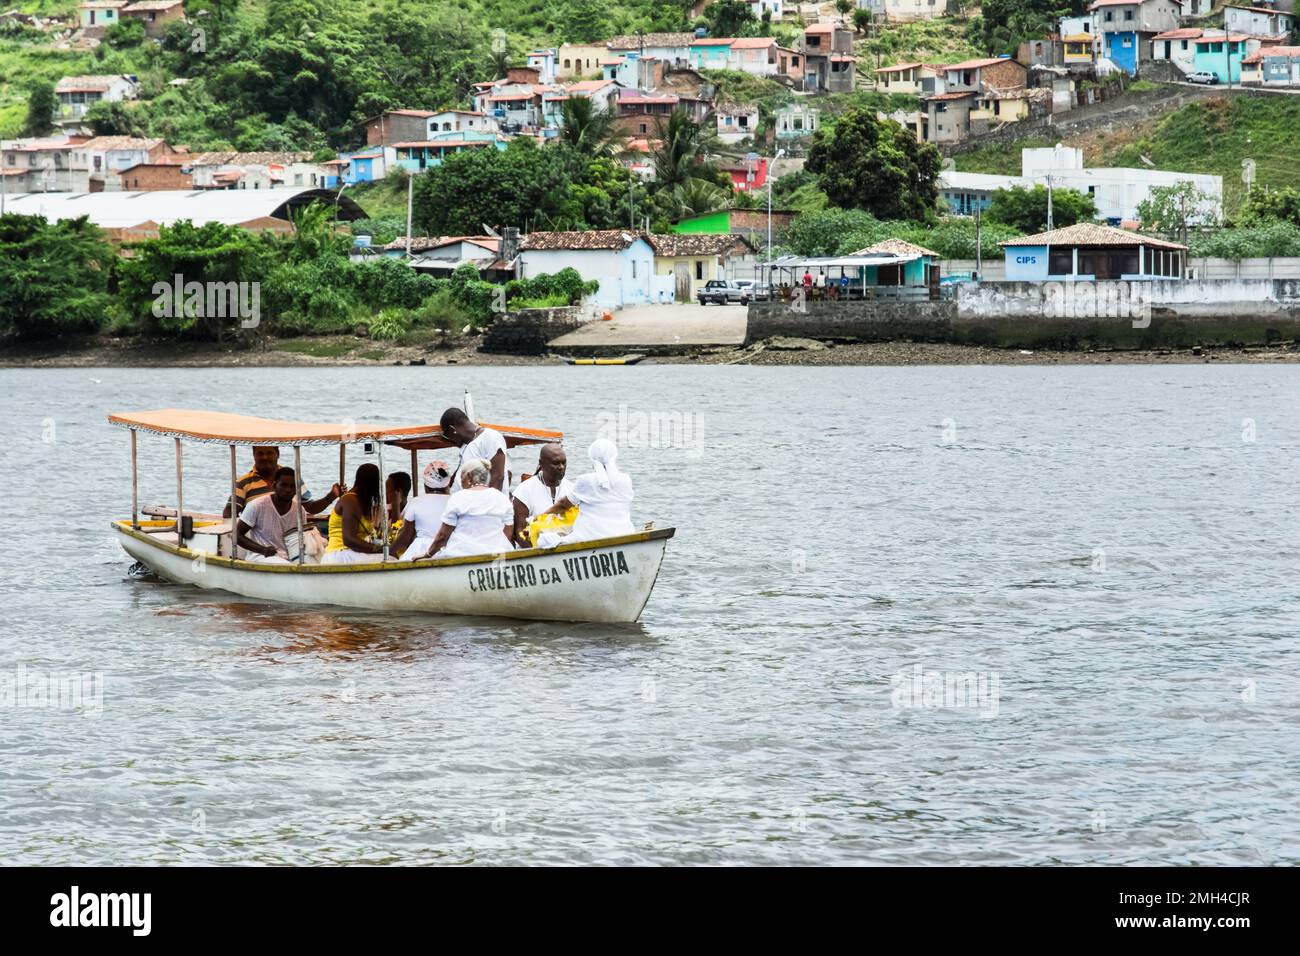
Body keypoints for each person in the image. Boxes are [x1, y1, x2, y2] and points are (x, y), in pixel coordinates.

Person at [537, 439, 634, 549]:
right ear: (614, 457)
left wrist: (541, 516)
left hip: (587, 537)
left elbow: (564, 505)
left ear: (593, 459)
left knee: (544, 540)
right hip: (626, 534)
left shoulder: (586, 480)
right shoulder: (626, 480)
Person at [419, 459, 513, 560]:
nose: (461, 481)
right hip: (496, 555)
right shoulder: (501, 497)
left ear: (469, 476)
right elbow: (507, 533)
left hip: (461, 554)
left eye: (461, 477)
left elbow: (443, 536)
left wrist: (427, 554)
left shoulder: (458, 497)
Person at [223, 445, 340, 518]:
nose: (265, 457)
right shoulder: (243, 483)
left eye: (269, 453)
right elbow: (229, 512)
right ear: (254, 455)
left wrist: (331, 496)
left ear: (277, 454)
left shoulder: (293, 478)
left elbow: (311, 508)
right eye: (260, 453)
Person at [236, 466, 319, 563]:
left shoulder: (300, 510)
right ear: (274, 485)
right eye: (284, 485)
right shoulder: (256, 506)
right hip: (261, 556)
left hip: (290, 557)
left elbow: (302, 538)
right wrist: (263, 549)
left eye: (292, 486)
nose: (288, 490)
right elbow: (237, 535)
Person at [511, 443, 574, 546]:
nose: (561, 467)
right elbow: (519, 532)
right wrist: (538, 555)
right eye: (556, 463)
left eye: (564, 463)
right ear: (541, 463)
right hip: (536, 552)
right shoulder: (524, 491)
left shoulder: (572, 489)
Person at [322, 463, 385, 564]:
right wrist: (380, 549)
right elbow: (349, 540)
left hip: (350, 553)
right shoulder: (350, 500)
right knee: (390, 559)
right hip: (340, 554)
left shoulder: (359, 500)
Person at [393, 460, 453, 559]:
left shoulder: (416, 502)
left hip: (420, 549)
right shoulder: (455, 501)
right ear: (448, 483)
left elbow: (405, 538)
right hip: (449, 549)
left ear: (425, 485)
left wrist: (387, 552)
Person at [440, 408, 507, 491]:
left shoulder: (491, 437)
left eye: (446, 436)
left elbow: (497, 477)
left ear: (452, 430)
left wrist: (487, 503)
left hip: (484, 503)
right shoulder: (467, 446)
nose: (450, 441)